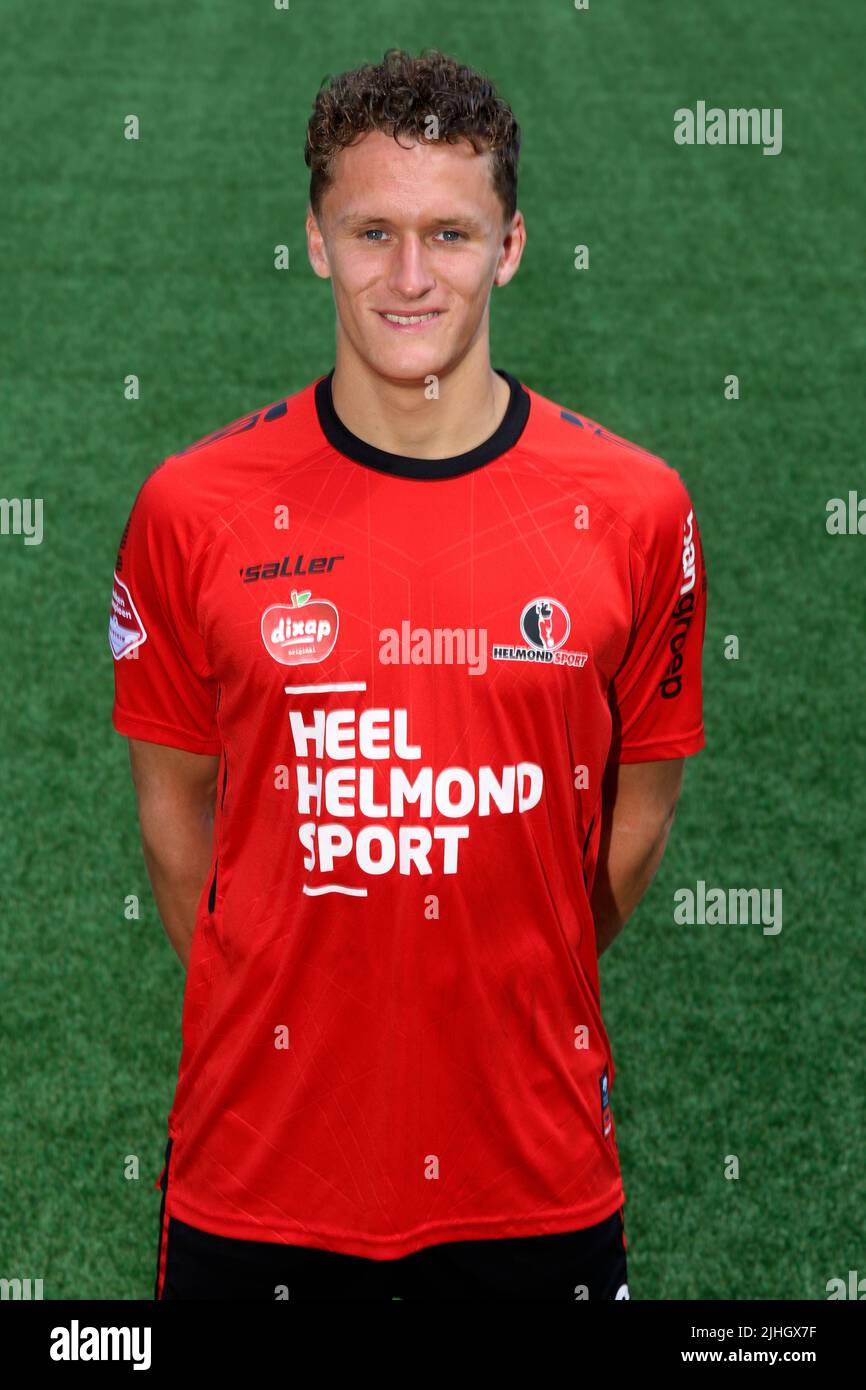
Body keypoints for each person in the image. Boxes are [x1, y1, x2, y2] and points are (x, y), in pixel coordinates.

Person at [108, 47, 707, 1301]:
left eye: (450, 231)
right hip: (260, 1173)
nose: (410, 275)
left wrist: (500, 977)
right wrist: (299, 987)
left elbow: (631, 825)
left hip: (530, 1175)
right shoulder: (192, 507)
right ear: (316, 241)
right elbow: (177, 828)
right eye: (371, 229)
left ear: (512, 245)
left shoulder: (637, 508)